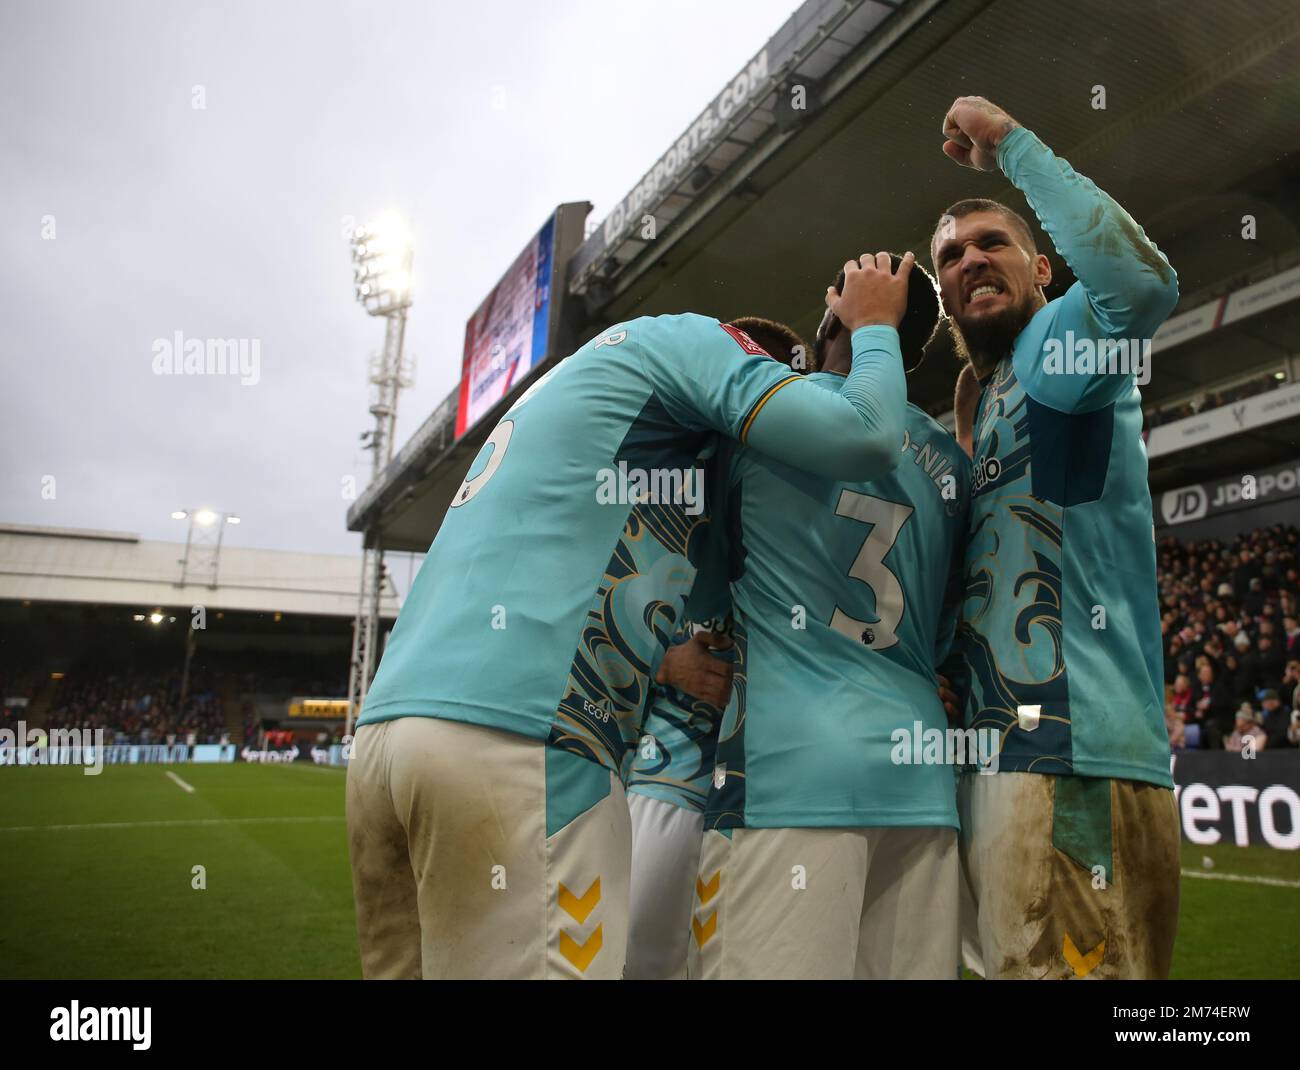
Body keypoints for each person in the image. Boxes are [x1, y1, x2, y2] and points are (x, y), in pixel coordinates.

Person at [346, 254, 918, 979]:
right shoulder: (697, 342)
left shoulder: (596, 403)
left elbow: (705, 597)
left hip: (389, 734)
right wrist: (873, 326)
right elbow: (861, 435)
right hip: (526, 735)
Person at [934, 95, 1181, 979]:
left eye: (991, 243)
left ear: (1042, 266)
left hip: (1067, 747)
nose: (970, 260)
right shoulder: (986, 395)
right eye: (950, 258)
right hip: (1007, 752)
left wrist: (1009, 146)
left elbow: (1144, 285)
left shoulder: (1055, 342)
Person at [688, 254, 972, 979]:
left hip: (792, 769)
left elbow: (699, 588)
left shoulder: (762, 415)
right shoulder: (949, 464)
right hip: (920, 780)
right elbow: (945, 635)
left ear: (827, 325)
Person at [622, 317, 809, 981]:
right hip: (663, 774)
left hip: (764, 795)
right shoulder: (661, 473)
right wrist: (665, 663)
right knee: (640, 959)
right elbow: (574, 610)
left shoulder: (797, 493)